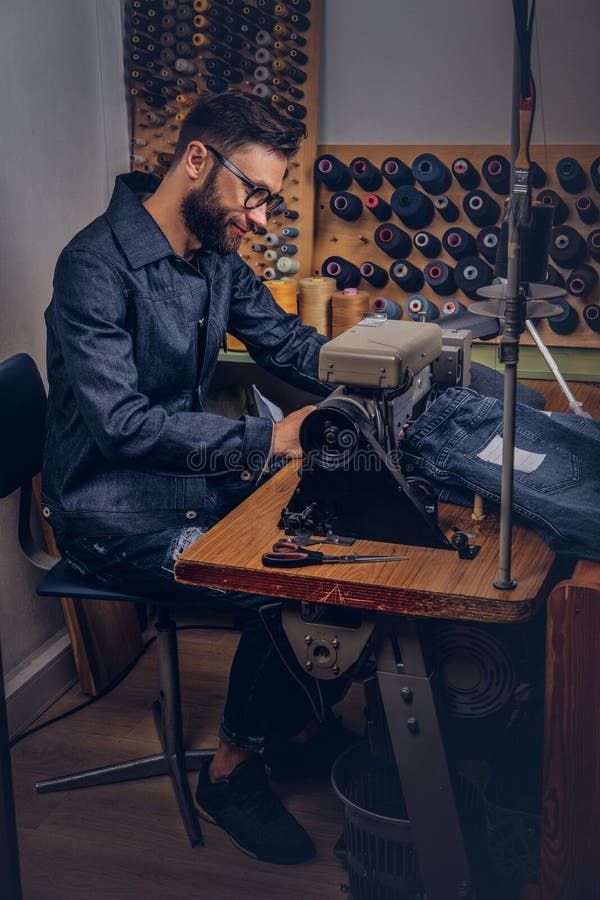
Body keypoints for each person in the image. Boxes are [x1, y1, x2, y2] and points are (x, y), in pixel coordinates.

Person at [42, 91, 353, 866]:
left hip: (189, 486)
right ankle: (232, 770)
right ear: (195, 161)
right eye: (255, 194)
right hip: (105, 513)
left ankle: (295, 720)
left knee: (341, 539)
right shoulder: (93, 267)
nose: (259, 218)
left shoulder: (214, 258)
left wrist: (382, 368)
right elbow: (122, 428)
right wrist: (266, 438)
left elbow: (285, 343)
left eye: (269, 203)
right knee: (281, 583)